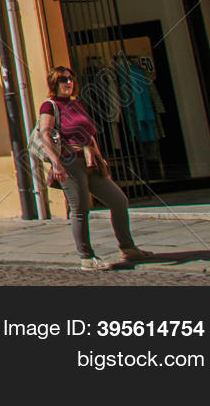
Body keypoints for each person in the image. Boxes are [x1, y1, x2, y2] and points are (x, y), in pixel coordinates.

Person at [38, 66, 156, 271]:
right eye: (63, 80)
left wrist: (101, 159)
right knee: (81, 209)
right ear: (54, 84)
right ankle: (86, 257)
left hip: (90, 161)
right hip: (70, 162)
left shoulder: (76, 104)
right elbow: (45, 135)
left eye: (71, 78)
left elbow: (90, 134)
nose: (68, 83)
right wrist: (56, 163)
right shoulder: (49, 106)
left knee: (119, 200)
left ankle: (128, 249)